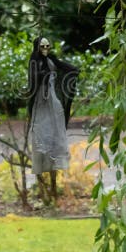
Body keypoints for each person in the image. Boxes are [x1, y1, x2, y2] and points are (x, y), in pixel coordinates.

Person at [27, 37, 78, 203]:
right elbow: (33, 80)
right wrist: (42, 74)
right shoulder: (34, 61)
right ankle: (42, 187)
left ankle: (55, 184)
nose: (45, 48)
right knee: (42, 138)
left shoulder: (51, 59)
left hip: (53, 103)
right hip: (40, 104)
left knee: (56, 137)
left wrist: (71, 71)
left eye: (48, 46)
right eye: (42, 46)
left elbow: (68, 68)